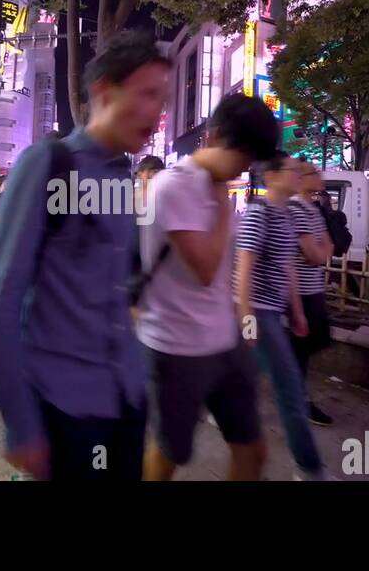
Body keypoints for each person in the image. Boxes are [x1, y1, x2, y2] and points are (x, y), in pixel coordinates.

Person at [0, 30, 171, 480]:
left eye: (162, 98)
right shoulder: (48, 164)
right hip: (64, 407)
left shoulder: (120, 177)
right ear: (104, 90)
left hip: (125, 397)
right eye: (148, 94)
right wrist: (20, 424)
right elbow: (1, 301)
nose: (158, 111)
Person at [139, 94, 276, 481]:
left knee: (253, 449)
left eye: (250, 162)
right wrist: (220, 202)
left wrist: (239, 313)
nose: (243, 169)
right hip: (175, 347)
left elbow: (223, 271)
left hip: (223, 342)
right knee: (170, 454)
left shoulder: (216, 188)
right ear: (214, 138)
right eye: (241, 158)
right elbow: (205, 268)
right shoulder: (173, 186)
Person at [235, 153, 334, 481]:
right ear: (273, 176)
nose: (298, 176)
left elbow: (288, 266)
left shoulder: (285, 217)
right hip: (259, 316)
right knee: (290, 387)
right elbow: (244, 272)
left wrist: (296, 310)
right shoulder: (257, 216)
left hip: (275, 313)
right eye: (293, 171)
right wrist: (247, 320)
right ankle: (309, 469)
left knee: (243, 381)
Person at [288, 160, 335, 426]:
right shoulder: (296, 208)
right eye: (313, 172)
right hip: (299, 290)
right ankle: (299, 400)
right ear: (299, 178)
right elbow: (313, 253)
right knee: (305, 344)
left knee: (310, 343)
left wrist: (319, 253)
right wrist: (318, 253)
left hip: (312, 287)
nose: (319, 176)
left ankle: (297, 396)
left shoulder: (314, 209)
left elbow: (327, 247)